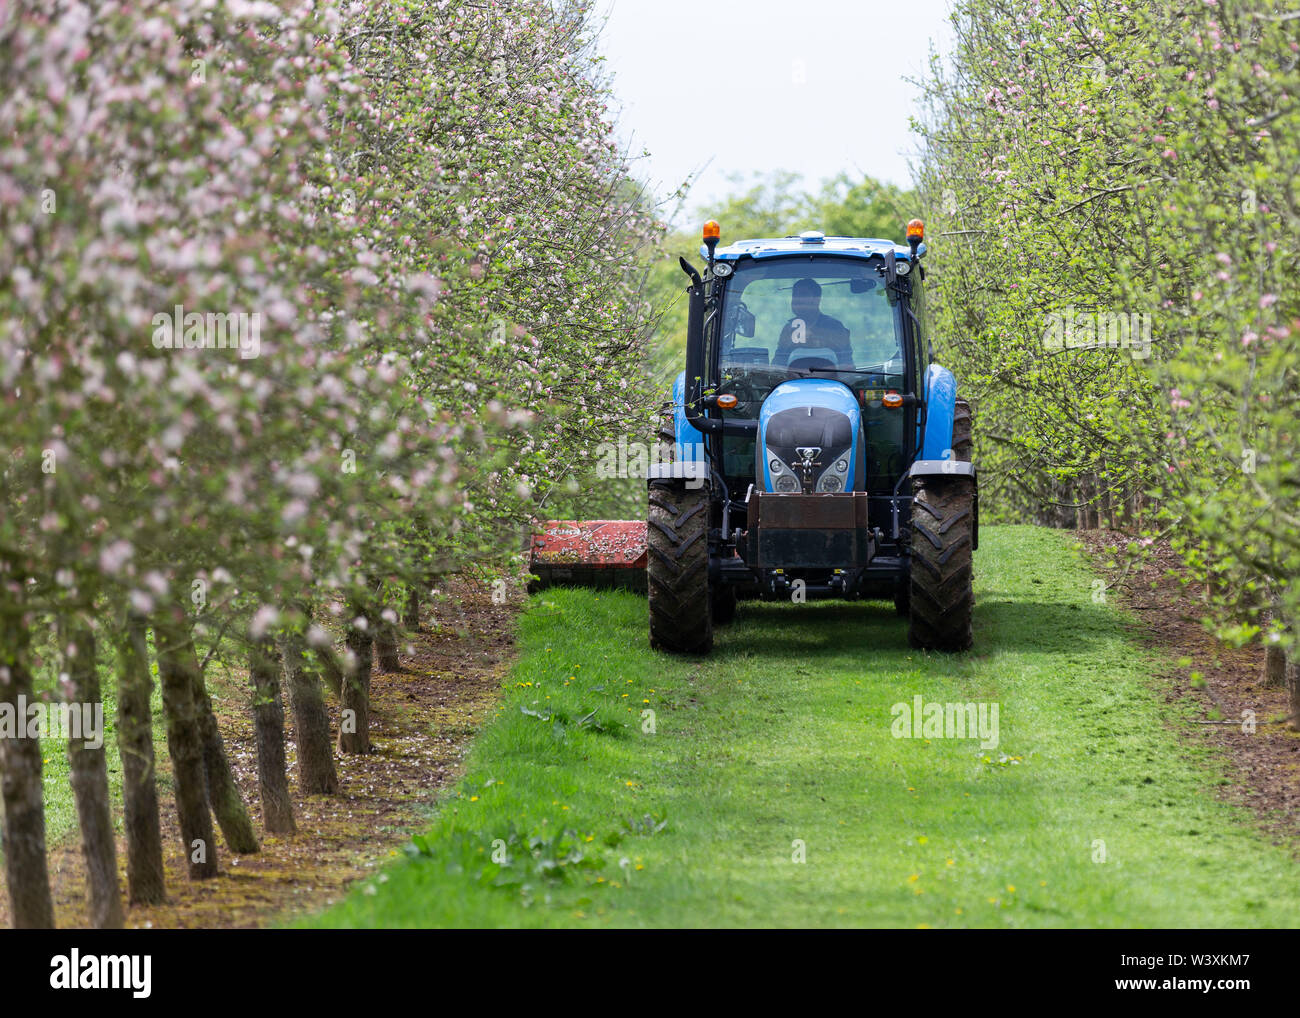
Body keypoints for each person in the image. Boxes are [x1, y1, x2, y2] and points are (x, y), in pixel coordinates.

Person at [773, 278, 853, 368]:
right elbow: (777, 365)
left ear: (817, 300)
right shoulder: (788, 329)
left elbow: (847, 366)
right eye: (794, 295)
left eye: (803, 295)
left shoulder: (834, 327)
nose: (797, 300)